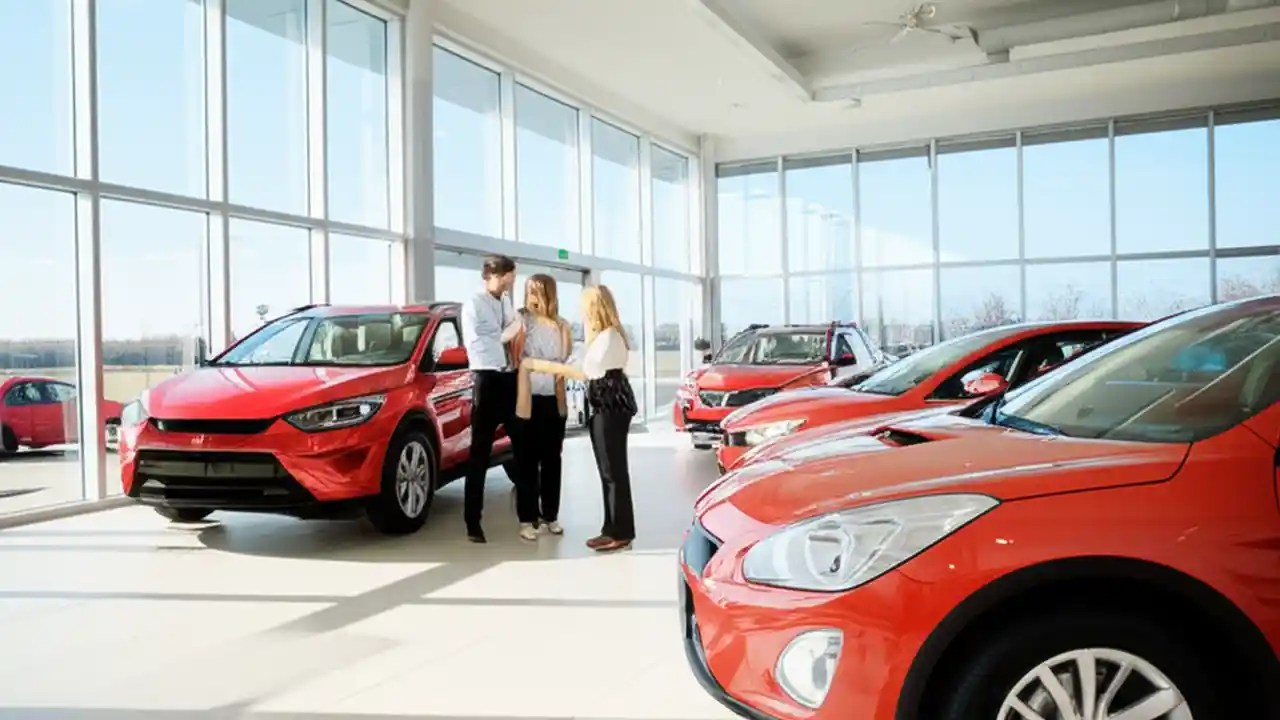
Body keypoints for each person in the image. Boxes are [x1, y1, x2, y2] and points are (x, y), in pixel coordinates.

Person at [519, 285, 637, 553]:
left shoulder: (608, 337)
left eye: (585, 306)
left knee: (613, 472)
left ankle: (620, 531)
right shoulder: (604, 336)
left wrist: (538, 365)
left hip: (610, 408)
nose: (581, 312)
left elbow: (585, 371)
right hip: (603, 407)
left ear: (595, 307)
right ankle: (611, 529)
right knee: (609, 473)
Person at [459, 254, 521, 544]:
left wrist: (505, 332)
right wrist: (505, 332)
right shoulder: (473, 304)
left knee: (522, 445)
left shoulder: (504, 300)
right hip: (485, 379)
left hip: (507, 377)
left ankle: (530, 515)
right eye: (509, 276)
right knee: (479, 454)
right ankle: (473, 522)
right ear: (494, 275)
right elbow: (486, 340)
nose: (512, 281)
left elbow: (512, 327)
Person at [511, 274, 573, 542]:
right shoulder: (521, 320)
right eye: (528, 291)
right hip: (527, 398)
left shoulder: (562, 325)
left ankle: (551, 515)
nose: (531, 296)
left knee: (552, 460)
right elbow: (515, 357)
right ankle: (527, 518)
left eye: (536, 291)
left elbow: (566, 358)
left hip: (552, 397)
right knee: (526, 461)